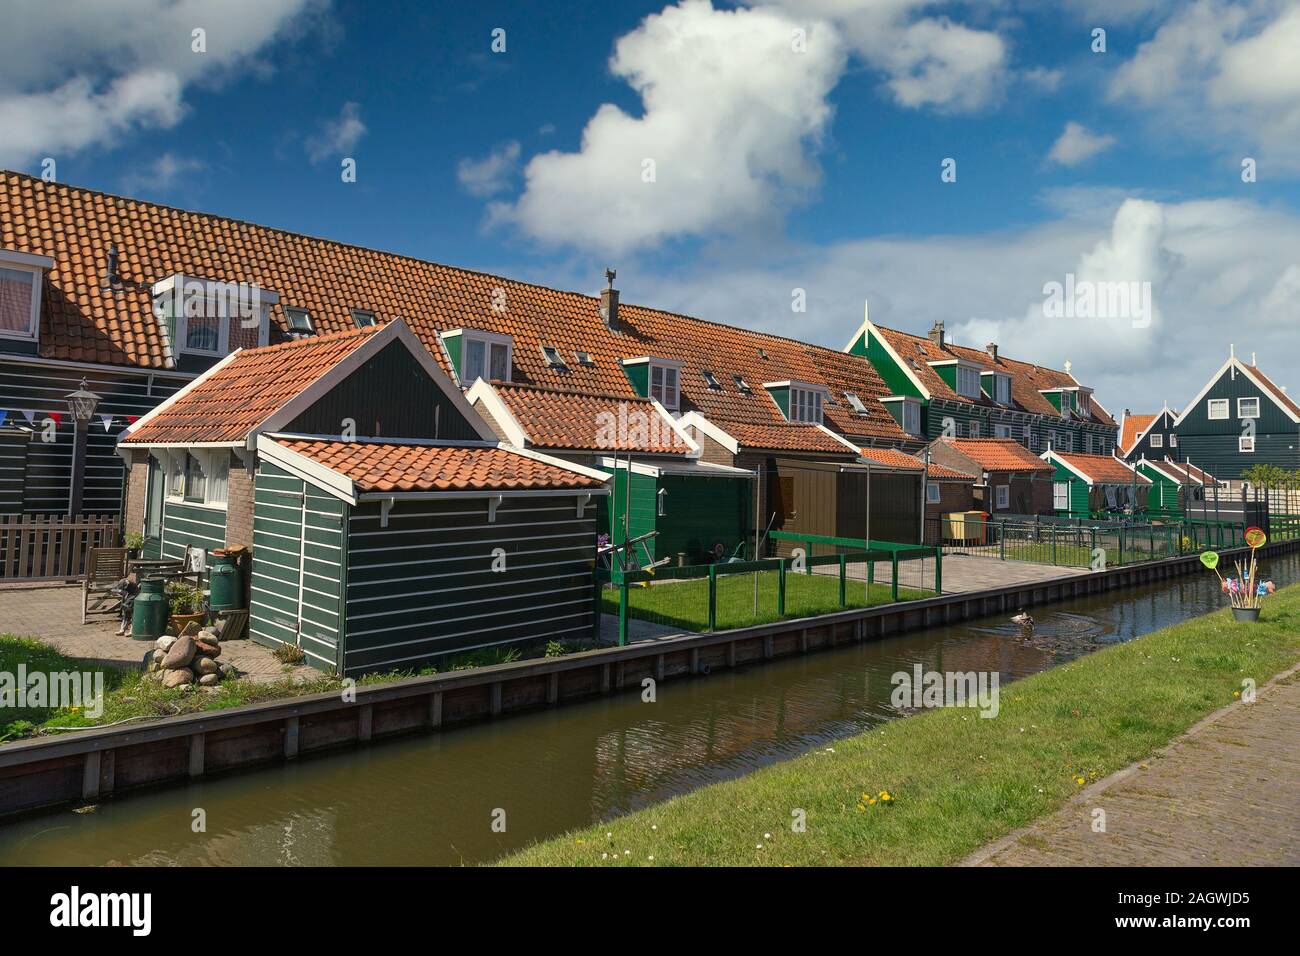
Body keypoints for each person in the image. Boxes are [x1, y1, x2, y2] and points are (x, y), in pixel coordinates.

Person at [112, 571, 141, 636]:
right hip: (128, 596)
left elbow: (123, 591)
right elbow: (121, 591)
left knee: (132, 614)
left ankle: (131, 631)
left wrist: (119, 591)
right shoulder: (123, 582)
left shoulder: (128, 584)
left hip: (134, 596)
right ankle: (122, 629)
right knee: (125, 612)